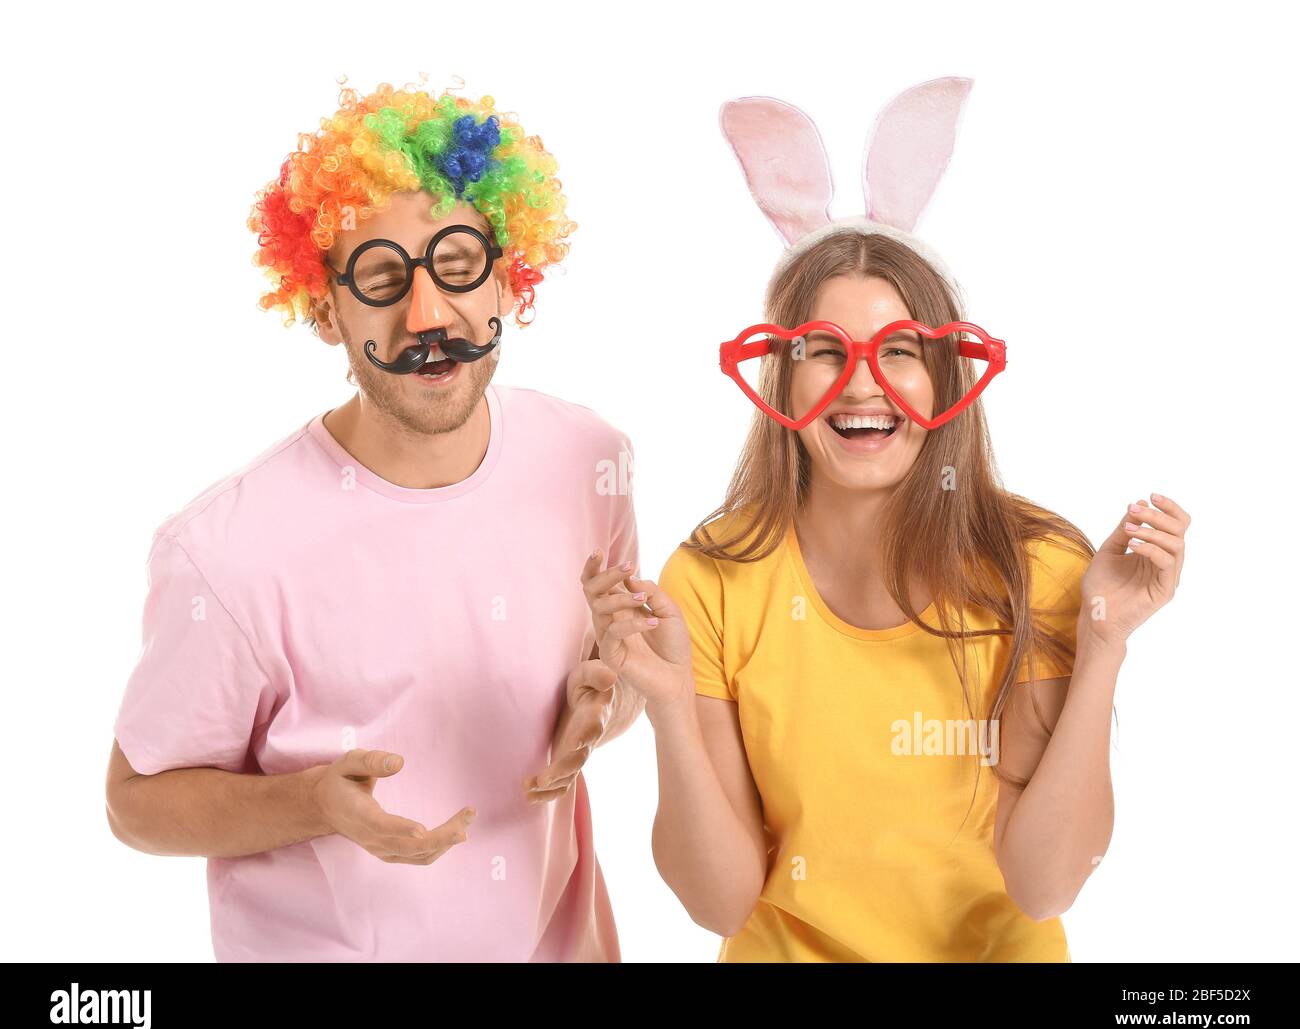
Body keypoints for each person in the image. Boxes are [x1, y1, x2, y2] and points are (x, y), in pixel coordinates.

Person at [579, 80, 1191, 962]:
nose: (861, 384)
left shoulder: (1038, 567)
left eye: (898, 351)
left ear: (946, 377)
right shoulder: (710, 581)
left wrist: (1103, 643)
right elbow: (718, 902)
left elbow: (1045, 882)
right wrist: (671, 708)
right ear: (781, 382)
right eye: (825, 351)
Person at [105, 79, 641, 962]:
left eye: (458, 265)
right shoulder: (225, 553)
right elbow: (134, 801)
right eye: (384, 279)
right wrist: (311, 802)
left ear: (508, 276)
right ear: (326, 311)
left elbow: (601, 685)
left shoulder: (589, 459)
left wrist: (607, 706)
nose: (428, 317)